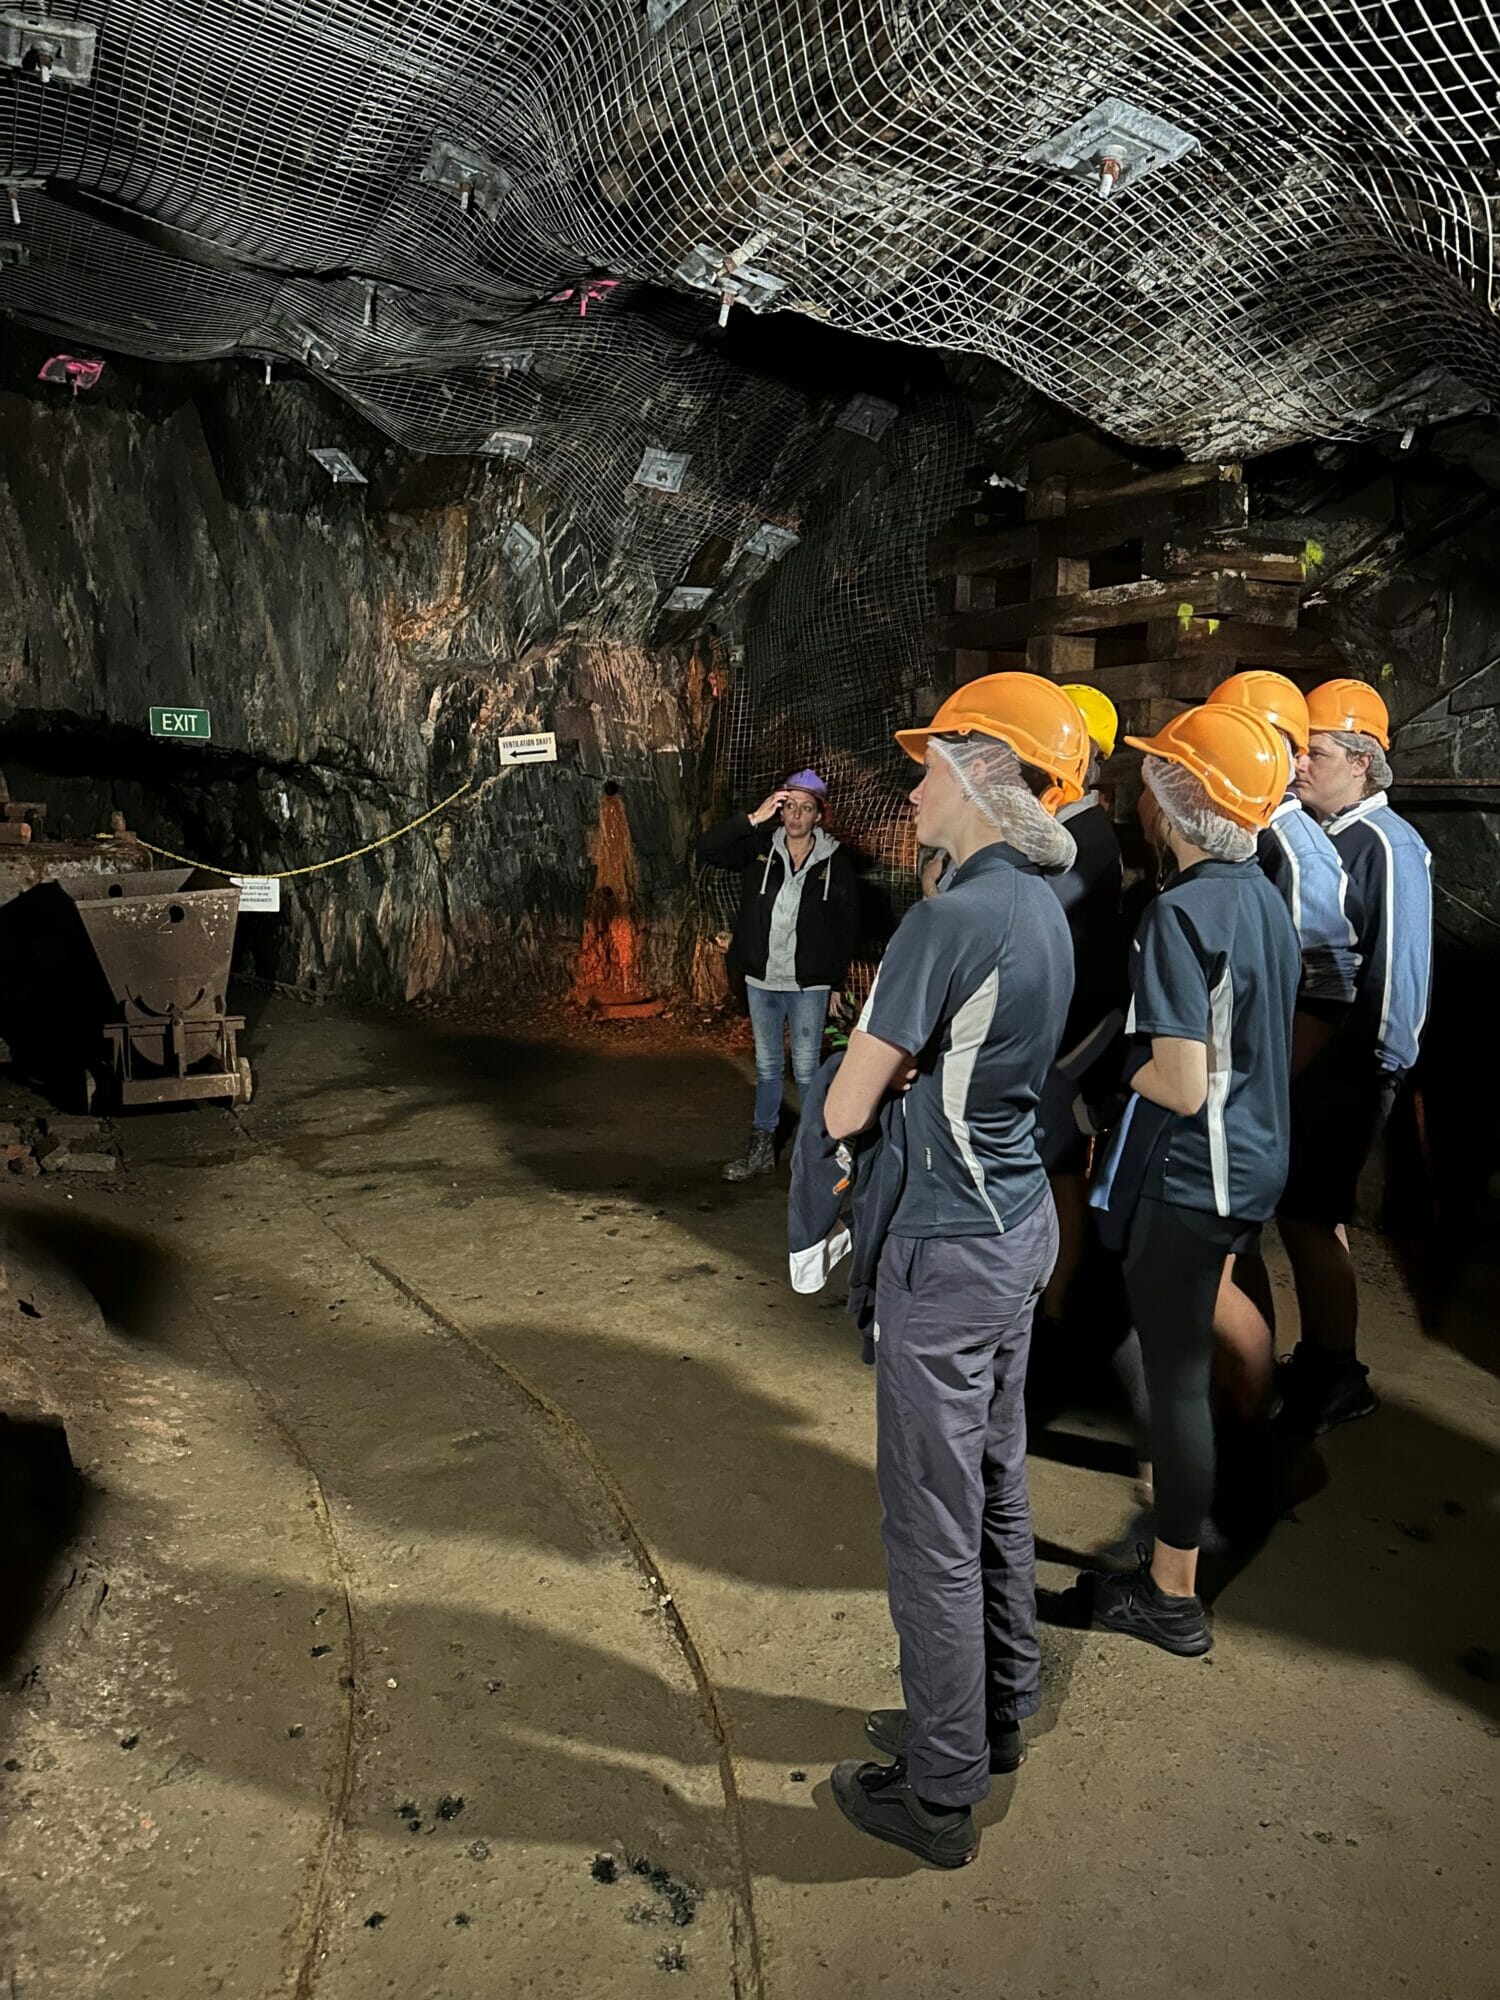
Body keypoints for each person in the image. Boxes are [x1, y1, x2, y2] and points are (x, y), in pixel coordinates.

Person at [820, 672, 1087, 1868]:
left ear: (984, 772)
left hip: (949, 1243)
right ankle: (993, 1711)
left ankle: (937, 1792)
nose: (912, 785)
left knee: (929, 1517)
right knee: (993, 1475)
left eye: (931, 766)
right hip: (1021, 1223)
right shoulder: (1043, 902)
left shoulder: (948, 918)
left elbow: (841, 1103)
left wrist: (883, 1065)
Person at [1080, 705, 1300, 1657]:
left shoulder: (1179, 913)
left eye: (1160, 779)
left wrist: (1107, 1067)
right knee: (1195, 1339)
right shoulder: (1261, 891)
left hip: (1193, 1172)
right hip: (1250, 1157)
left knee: (1173, 1382)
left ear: (1181, 804)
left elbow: (1176, 1079)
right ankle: (1233, 1478)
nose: (1143, 796)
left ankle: (1171, 1591)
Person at [1202, 670, 1361, 1426]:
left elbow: (1328, 990)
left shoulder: (1292, 850)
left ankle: (1245, 1428)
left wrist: (1252, 1085)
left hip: (1251, 1094)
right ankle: (1246, 1413)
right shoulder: (1259, 833)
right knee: (1236, 1251)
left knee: (1219, 1259)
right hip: (1241, 1087)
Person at [1276, 678, 1433, 1432]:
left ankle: (1337, 1372)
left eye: (1317, 752)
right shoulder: (1333, 837)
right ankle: (1323, 1357)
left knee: (1309, 1215)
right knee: (1311, 1216)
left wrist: (1373, 1070)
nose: (1300, 764)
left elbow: (1398, 979)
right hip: (1333, 1064)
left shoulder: (1386, 844)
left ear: (1364, 762)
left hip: (1351, 1068)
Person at [695, 770, 860, 1180]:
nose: (796, 816)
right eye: (790, 806)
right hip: (762, 979)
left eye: (806, 808)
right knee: (767, 1067)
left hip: (809, 983)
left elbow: (847, 926)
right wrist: (752, 818)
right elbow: (707, 848)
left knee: (805, 1069)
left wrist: (836, 981)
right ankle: (761, 1150)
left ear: (820, 815)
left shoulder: (836, 863)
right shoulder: (758, 850)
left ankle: (816, 1154)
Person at [1036, 683, 1126, 1327]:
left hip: (1065, 1042)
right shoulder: (1076, 833)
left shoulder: (1081, 842)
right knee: (1057, 1170)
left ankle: (1056, 1300)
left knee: (1056, 1170)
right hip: (1068, 1038)